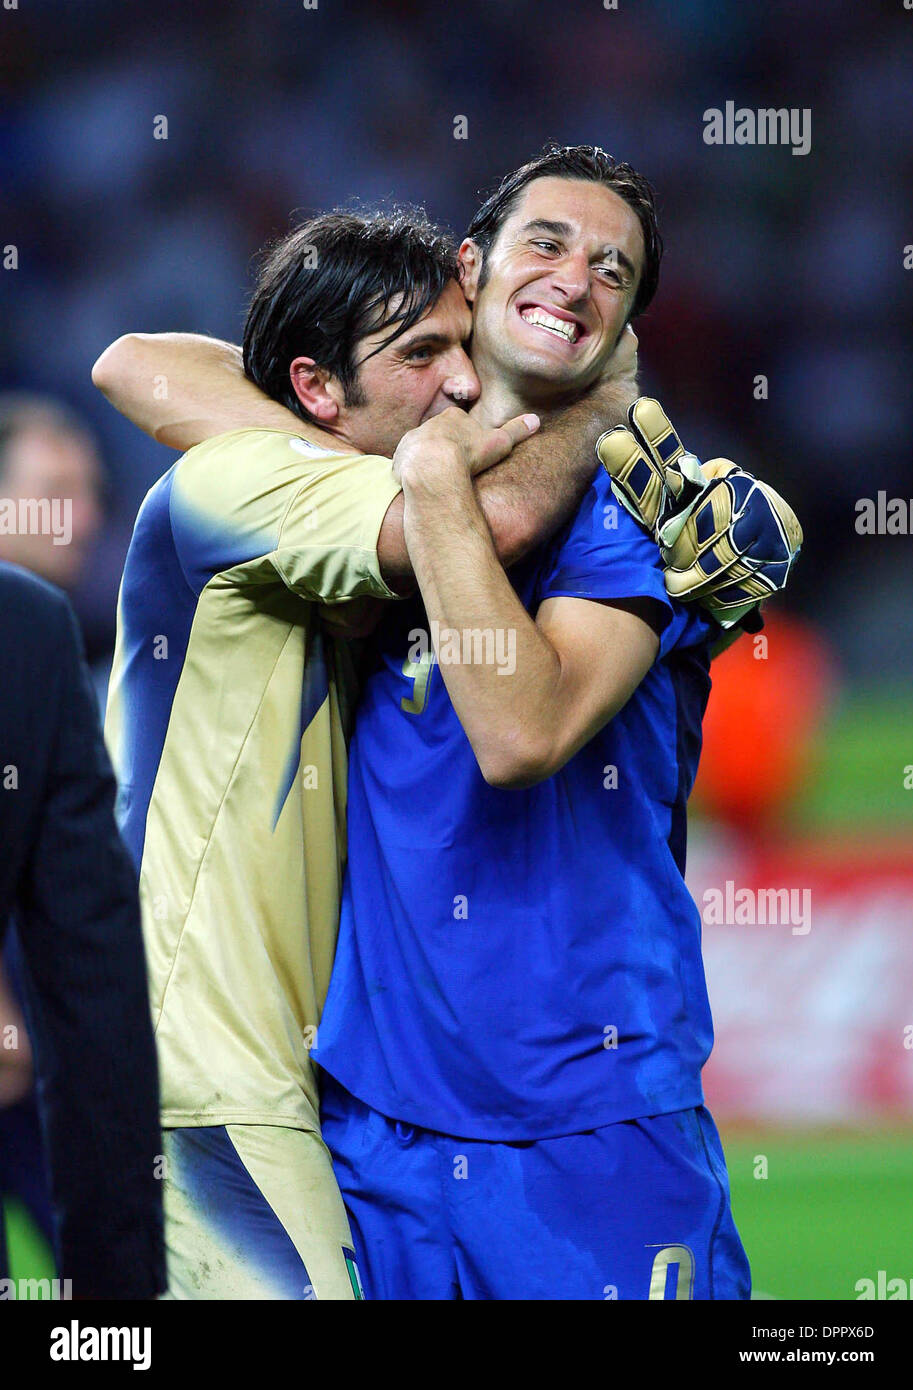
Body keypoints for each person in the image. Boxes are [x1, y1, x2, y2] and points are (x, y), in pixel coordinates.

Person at [95, 147, 800, 1300]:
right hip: (372, 1125)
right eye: (549, 243)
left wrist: (589, 417)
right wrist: (463, 454)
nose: (576, 276)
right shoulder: (343, 489)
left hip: (587, 1115)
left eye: (612, 268)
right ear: (473, 273)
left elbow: (519, 736)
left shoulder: (643, 512)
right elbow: (140, 364)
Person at [0, 561, 165, 1299]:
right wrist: (115, 1309)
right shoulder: (25, 625)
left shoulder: (26, 628)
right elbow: (93, 991)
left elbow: (93, 982)